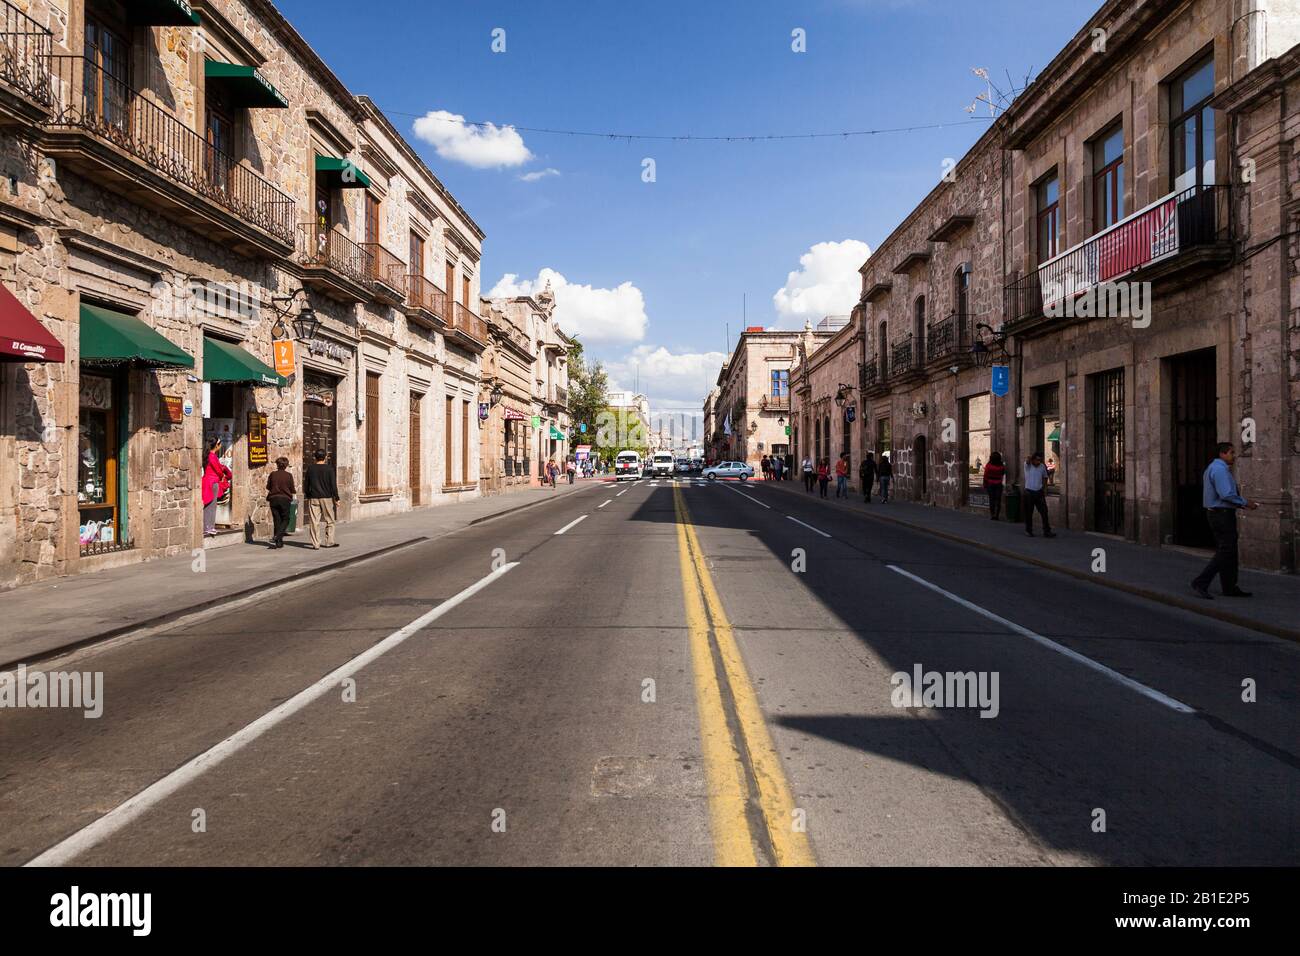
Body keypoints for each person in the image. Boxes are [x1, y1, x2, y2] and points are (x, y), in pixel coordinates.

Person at [1191, 442, 1259, 599]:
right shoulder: (1220, 470)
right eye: (1231, 452)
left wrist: (1241, 505)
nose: (1234, 456)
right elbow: (1226, 494)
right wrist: (1245, 502)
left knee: (1229, 551)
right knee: (1226, 550)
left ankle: (1229, 587)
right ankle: (1201, 582)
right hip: (1221, 515)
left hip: (1220, 512)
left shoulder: (1213, 468)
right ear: (1222, 454)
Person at [304, 448, 339, 549]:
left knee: (314, 521)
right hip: (327, 498)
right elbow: (333, 485)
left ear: (315, 457)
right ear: (325, 457)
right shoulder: (329, 469)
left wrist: (308, 495)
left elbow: (306, 484)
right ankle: (329, 542)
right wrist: (336, 498)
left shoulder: (310, 469)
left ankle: (316, 544)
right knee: (330, 520)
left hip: (314, 497)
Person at [200, 436, 231, 537]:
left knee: (208, 505)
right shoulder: (212, 456)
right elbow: (218, 470)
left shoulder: (207, 455)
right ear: (216, 445)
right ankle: (209, 527)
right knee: (211, 505)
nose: (221, 445)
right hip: (212, 482)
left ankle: (207, 527)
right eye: (220, 444)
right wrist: (222, 475)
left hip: (207, 481)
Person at [265, 456, 296, 549]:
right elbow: (292, 489)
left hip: (273, 499)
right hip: (284, 499)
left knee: (277, 520)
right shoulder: (289, 476)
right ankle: (277, 536)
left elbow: (268, 487)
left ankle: (279, 542)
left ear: (277, 465)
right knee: (286, 519)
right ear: (286, 465)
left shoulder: (272, 474)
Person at [1023, 452, 1055, 537]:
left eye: (1040, 460)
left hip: (1039, 492)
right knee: (1029, 512)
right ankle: (1028, 530)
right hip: (1029, 492)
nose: (1038, 462)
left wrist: (1045, 489)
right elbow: (1027, 460)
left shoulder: (1042, 466)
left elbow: (1045, 477)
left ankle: (1047, 531)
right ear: (1033, 460)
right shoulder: (1028, 466)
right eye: (1037, 460)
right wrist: (1030, 457)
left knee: (1044, 512)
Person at [983, 452, 1007, 520]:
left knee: (992, 499)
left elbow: (985, 475)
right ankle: (997, 515)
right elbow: (1003, 473)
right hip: (998, 483)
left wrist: (985, 484)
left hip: (990, 483)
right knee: (998, 500)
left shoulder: (989, 466)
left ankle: (992, 514)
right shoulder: (1001, 466)